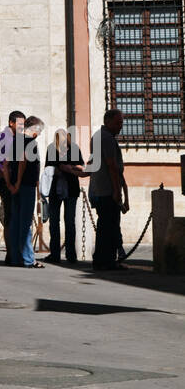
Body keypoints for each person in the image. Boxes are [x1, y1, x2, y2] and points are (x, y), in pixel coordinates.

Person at [88, 109, 129, 271]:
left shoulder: (97, 136)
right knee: (110, 225)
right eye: (118, 122)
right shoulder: (107, 139)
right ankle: (108, 261)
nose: (121, 126)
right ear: (108, 121)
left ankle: (100, 260)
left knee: (104, 225)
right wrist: (117, 190)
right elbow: (112, 166)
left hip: (100, 188)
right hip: (107, 189)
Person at [0, 110, 26, 264]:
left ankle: (14, 253)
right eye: (20, 124)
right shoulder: (4, 136)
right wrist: (0, 170)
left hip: (12, 182)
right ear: (11, 123)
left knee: (13, 215)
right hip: (4, 182)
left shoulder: (15, 138)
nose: (22, 127)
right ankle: (11, 254)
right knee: (10, 216)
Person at [7, 115, 45, 268]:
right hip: (26, 185)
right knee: (25, 224)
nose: (39, 134)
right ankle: (29, 259)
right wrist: (18, 182)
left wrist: (11, 184)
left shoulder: (16, 141)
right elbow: (23, 162)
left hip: (16, 187)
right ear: (35, 130)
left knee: (16, 222)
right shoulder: (31, 143)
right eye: (40, 132)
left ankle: (16, 258)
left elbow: (6, 164)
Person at [44, 129, 84, 263]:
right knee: (54, 222)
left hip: (71, 189)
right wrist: (58, 169)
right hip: (55, 190)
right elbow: (48, 169)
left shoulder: (74, 149)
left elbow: (81, 166)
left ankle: (71, 254)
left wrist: (70, 168)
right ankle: (55, 254)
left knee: (70, 222)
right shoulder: (51, 149)